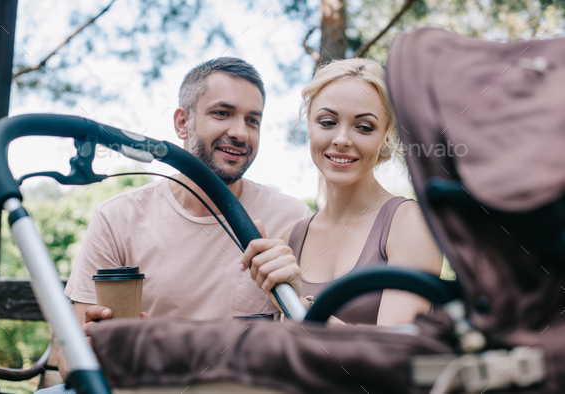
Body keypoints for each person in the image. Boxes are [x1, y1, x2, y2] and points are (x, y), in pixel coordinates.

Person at [41, 57, 311, 392]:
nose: (240, 132)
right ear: (182, 123)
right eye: (222, 113)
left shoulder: (292, 218)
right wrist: (89, 355)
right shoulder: (117, 218)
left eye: (252, 120)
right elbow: (69, 362)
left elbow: (320, 350)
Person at [241, 58, 442, 326]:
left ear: (385, 137)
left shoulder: (411, 223)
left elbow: (393, 353)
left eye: (364, 127)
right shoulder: (293, 237)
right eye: (327, 122)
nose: (342, 139)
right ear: (309, 127)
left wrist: (299, 306)